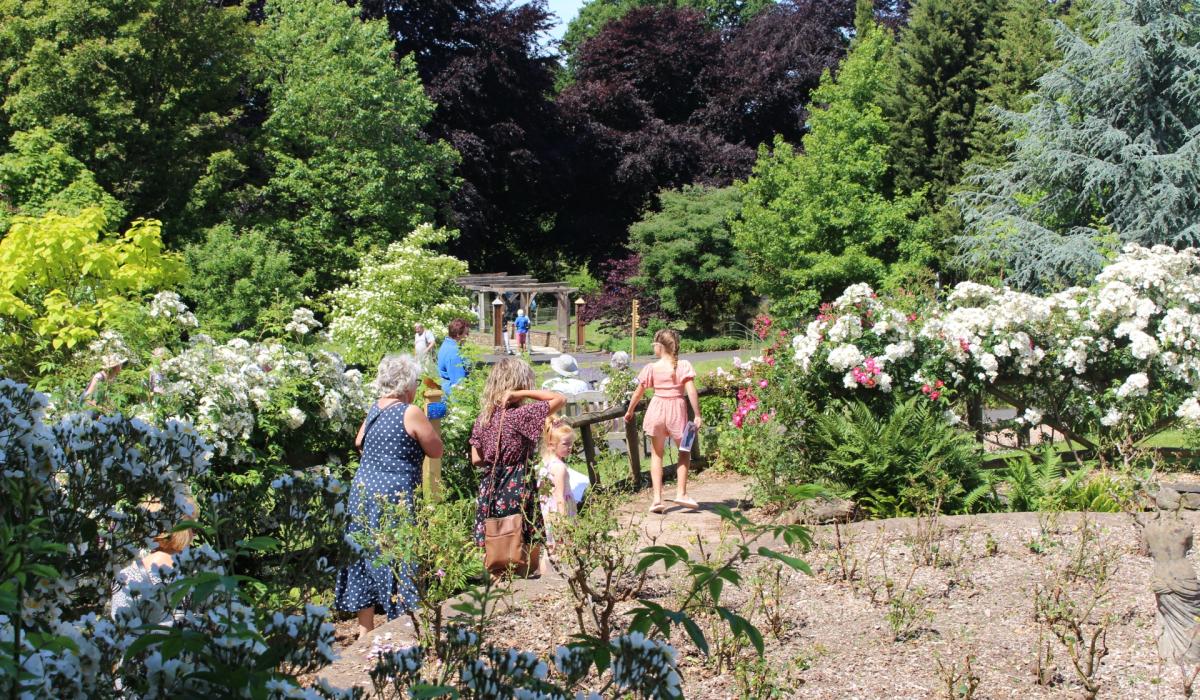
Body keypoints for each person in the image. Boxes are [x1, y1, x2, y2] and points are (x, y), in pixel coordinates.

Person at [335, 354, 444, 640]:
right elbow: (435, 450)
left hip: (363, 491)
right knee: (399, 556)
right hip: (394, 497)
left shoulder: (375, 408)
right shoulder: (409, 412)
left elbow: (359, 442)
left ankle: (365, 629)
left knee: (364, 552)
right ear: (408, 384)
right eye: (416, 382)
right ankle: (404, 626)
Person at [469, 358, 566, 559]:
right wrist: (521, 394)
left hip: (490, 485)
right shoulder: (521, 415)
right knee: (521, 543)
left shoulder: (483, 418)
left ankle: (496, 578)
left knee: (496, 540)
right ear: (518, 385)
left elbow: (476, 459)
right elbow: (559, 399)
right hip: (517, 482)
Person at [623, 329, 702, 514]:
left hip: (657, 409)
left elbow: (638, 391)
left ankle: (657, 499)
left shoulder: (651, 368)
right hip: (676, 411)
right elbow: (691, 391)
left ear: (660, 347)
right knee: (684, 451)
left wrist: (630, 410)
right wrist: (697, 414)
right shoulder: (683, 366)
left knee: (657, 455)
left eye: (654, 345)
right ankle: (681, 493)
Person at [111, 496, 198, 624]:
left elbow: (120, 630)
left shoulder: (126, 576)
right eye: (193, 526)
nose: (195, 534)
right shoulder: (197, 572)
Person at [537, 417, 588, 552]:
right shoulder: (559, 468)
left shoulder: (546, 462)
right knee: (566, 543)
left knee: (554, 542)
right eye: (565, 444)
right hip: (561, 509)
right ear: (551, 444)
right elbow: (559, 496)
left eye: (571, 443)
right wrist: (564, 519)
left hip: (549, 510)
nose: (570, 447)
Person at [437, 318, 471, 398]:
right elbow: (459, 383)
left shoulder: (446, 344)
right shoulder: (453, 352)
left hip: (446, 392)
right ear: (458, 334)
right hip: (453, 397)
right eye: (466, 334)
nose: (467, 337)